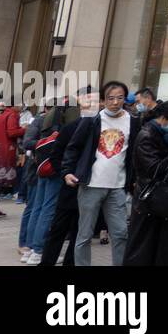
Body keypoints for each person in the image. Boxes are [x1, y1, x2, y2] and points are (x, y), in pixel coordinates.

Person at [63, 81, 139, 265]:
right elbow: (73, 147)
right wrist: (67, 172)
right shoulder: (92, 119)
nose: (115, 102)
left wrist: (134, 179)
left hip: (118, 187)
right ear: (103, 101)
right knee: (85, 234)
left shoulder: (133, 121)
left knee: (121, 233)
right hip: (91, 185)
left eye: (120, 98)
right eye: (111, 98)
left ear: (125, 100)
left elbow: (135, 154)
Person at [122, 99, 168, 265]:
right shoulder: (147, 135)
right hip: (148, 195)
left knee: (160, 243)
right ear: (163, 117)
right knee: (142, 243)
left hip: (164, 196)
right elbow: (153, 169)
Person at [38, 87, 97, 267]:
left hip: (92, 187)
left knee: (81, 231)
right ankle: (47, 262)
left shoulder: (101, 128)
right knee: (58, 228)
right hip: (70, 187)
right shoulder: (70, 127)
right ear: (79, 101)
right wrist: (65, 174)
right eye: (88, 100)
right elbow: (55, 156)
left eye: (95, 100)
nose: (92, 104)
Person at [20, 98, 69, 264]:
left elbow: (28, 142)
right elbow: (28, 142)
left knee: (38, 208)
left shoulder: (43, 120)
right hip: (51, 170)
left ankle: (31, 249)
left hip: (40, 168)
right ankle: (38, 250)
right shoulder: (58, 123)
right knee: (46, 209)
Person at [0, 101, 26, 216]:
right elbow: (12, 132)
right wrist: (25, 129)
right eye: (20, 104)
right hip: (5, 151)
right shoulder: (12, 114)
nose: (22, 106)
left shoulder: (2, 114)